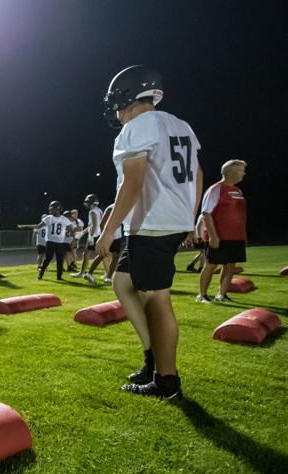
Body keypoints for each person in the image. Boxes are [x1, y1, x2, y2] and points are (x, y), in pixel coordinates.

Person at [96, 65, 203, 401]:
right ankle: (151, 356)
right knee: (123, 281)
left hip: (151, 224)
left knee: (156, 299)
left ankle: (166, 381)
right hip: (167, 220)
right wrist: (189, 215)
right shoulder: (179, 124)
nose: (116, 109)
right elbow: (197, 173)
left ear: (126, 96)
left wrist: (108, 231)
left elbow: (134, 182)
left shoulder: (137, 127)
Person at [196, 159, 247, 303]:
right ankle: (202, 295)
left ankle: (221, 295)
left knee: (230, 265)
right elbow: (206, 213)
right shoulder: (216, 189)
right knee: (211, 265)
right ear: (230, 172)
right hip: (219, 236)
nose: (243, 173)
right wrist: (213, 236)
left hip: (236, 237)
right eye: (240, 170)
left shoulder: (238, 190)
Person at [18, 201, 74, 280]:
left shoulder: (60, 219)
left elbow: (71, 229)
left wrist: (72, 237)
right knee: (48, 259)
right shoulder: (51, 218)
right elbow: (38, 226)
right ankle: (41, 274)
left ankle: (59, 276)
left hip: (59, 242)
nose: (50, 210)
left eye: (52, 208)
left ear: (57, 209)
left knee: (59, 260)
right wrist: (25, 226)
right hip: (51, 242)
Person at [84, 203, 123, 284]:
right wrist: (104, 237)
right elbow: (102, 224)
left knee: (115, 257)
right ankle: (89, 274)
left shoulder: (123, 206)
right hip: (109, 236)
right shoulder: (111, 208)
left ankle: (108, 277)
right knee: (102, 255)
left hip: (117, 236)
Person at [72, 194, 103, 277]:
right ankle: (108, 274)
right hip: (99, 234)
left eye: (88, 202)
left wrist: (91, 236)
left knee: (86, 254)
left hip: (94, 235)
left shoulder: (92, 211)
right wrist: (83, 232)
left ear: (91, 203)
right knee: (102, 254)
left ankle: (82, 273)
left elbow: (94, 225)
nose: (86, 204)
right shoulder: (99, 210)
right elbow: (94, 225)